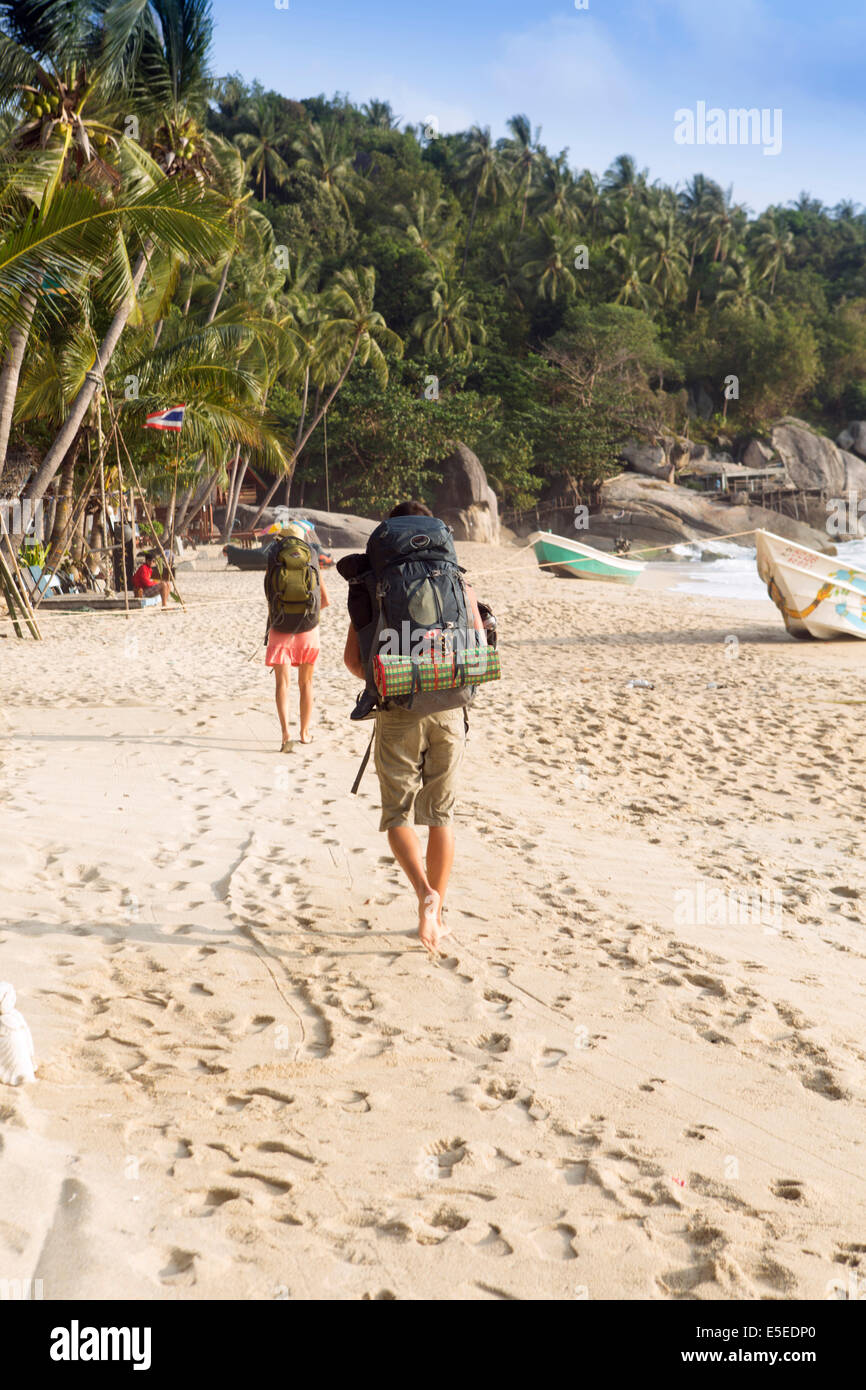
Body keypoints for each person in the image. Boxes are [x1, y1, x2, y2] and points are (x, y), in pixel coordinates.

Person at [343, 501, 485, 955]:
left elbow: (352, 661)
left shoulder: (373, 582)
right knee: (440, 816)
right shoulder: (456, 578)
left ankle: (424, 892)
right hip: (449, 707)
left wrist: (395, 674)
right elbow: (478, 643)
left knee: (397, 815)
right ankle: (438, 915)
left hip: (399, 708)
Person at [265, 523, 330, 751]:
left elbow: (269, 594)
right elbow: (325, 600)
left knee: (282, 683)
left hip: (280, 627)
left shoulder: (275, 559)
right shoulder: (311, 560)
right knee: (306, 683)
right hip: (308, 630)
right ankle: (304, 733)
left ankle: (285, 734)